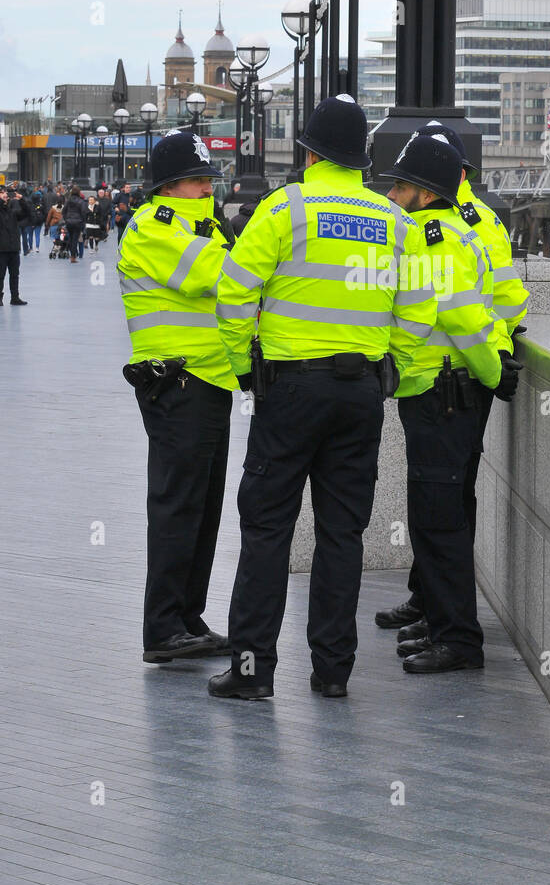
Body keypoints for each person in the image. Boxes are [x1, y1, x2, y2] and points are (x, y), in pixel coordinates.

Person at [208, 94, 437, 703]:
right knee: (342, 534)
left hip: (289, 391)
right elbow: (419, 312)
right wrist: (396, 372)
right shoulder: (396, 223)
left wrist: (243, 369)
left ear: (308, 151)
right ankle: (333, 671)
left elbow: (234, 297)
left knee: (267, 529)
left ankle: (253, 673)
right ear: (363, 156)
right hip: (360, 391)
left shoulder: (284, 209)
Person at [375, 122, 529, 633]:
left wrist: (491, 374)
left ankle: (458, 638)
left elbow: (464, 317)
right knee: (438, 514)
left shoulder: (433, 241)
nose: (392, 196)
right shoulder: (456, 230)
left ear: (424, 194)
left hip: (445, 394)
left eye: (400, 188)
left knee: (439, 518)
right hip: (441, 391)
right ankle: (441, 621)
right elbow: (501, 303)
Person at [117, 131, 238, 664]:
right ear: (167, 185)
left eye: (208, 178)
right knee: (176, 505)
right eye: (196, 179)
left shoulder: (205, 224)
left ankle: (188, 616)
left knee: (204, 506)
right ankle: (162, 626)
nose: (205, 187)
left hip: (212, 380)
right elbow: (212, 277)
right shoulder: (152, 227)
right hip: (178, 382)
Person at [0, 188, 31, 305]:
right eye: (1, 198)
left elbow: (27, 213)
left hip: (13, 249)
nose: (5, 199)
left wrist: (21, 199)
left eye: (5, 197)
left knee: (14, 275)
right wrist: (0, 200)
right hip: (0, 249)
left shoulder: (13, 212)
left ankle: (15, 297)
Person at [62, 186, 87, 262]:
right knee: (75, 239)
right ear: (79, 192)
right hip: (78, 222)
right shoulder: (81, 201)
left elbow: (63, 211)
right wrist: (83, 221)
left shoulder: (68, 201)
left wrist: (66, 219)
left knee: (71, 238)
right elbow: (83, 212)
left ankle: (72, 254)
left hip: (69, 222)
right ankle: (73, 257)